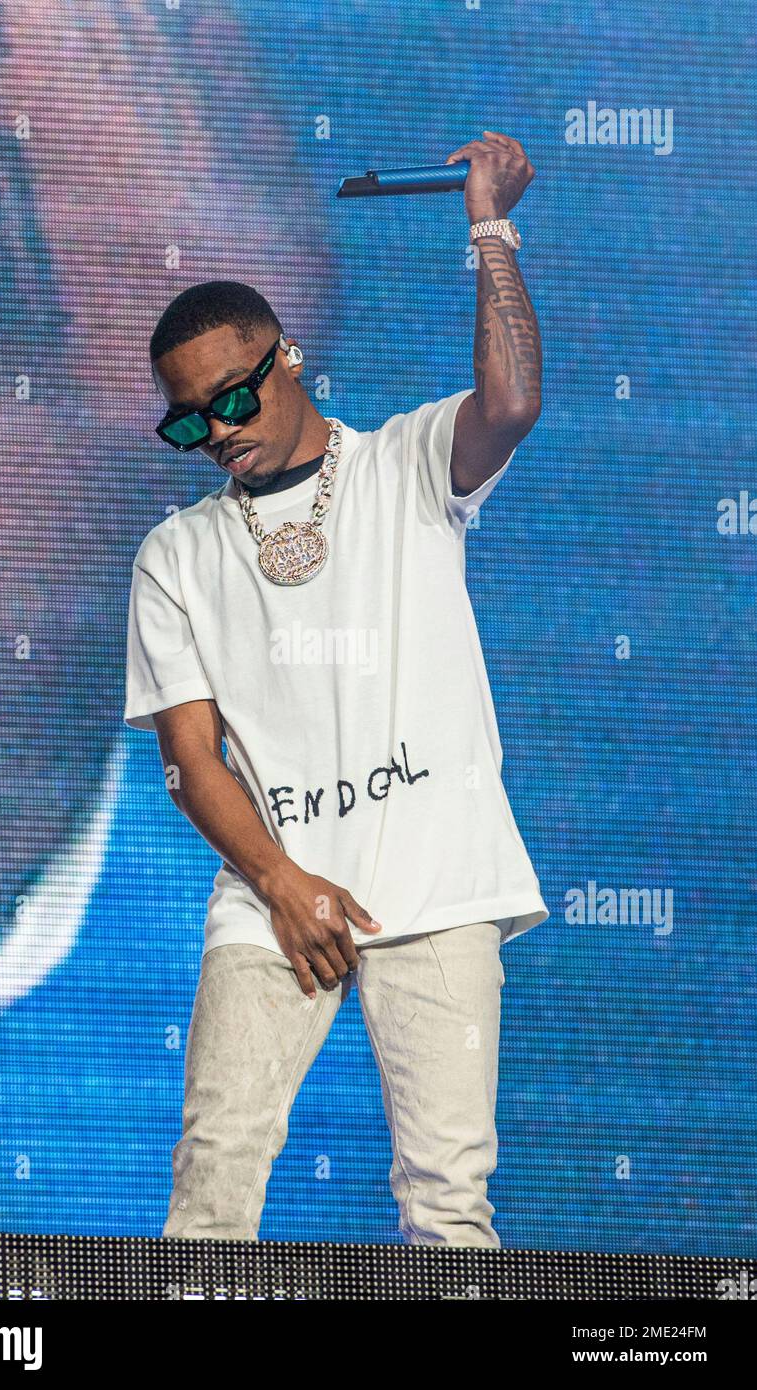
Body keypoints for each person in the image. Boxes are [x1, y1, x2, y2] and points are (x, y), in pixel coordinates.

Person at [124, 132, 549, 1246]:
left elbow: (507, 403)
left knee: (446, 1205)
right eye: (186, 422)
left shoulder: (406, 464)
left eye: (230, 399)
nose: (215, 432)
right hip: (274, 895)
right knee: (210, 1187)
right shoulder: (174, 554)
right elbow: (189, 760)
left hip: (438, 882)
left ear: (288, 357)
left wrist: (488, 226)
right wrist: (278, 879)